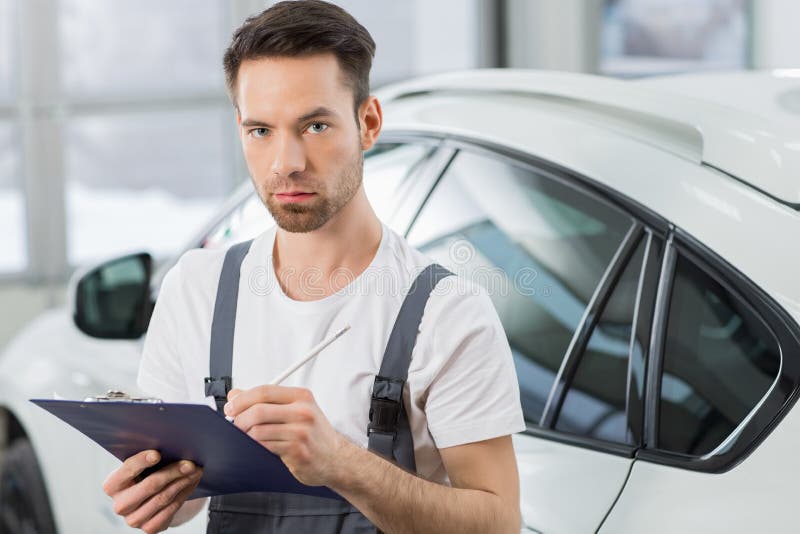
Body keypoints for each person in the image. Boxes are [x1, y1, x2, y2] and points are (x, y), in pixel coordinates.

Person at [102, 1, 525, 532]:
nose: (287, 162)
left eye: (316, 126)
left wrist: (341, 463)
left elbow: (499, 522)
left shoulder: (447, 313)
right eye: (262, 131)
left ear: (368, 123)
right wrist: (159, 492)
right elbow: (185, 499)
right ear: (240, 129)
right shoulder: (196, 288)